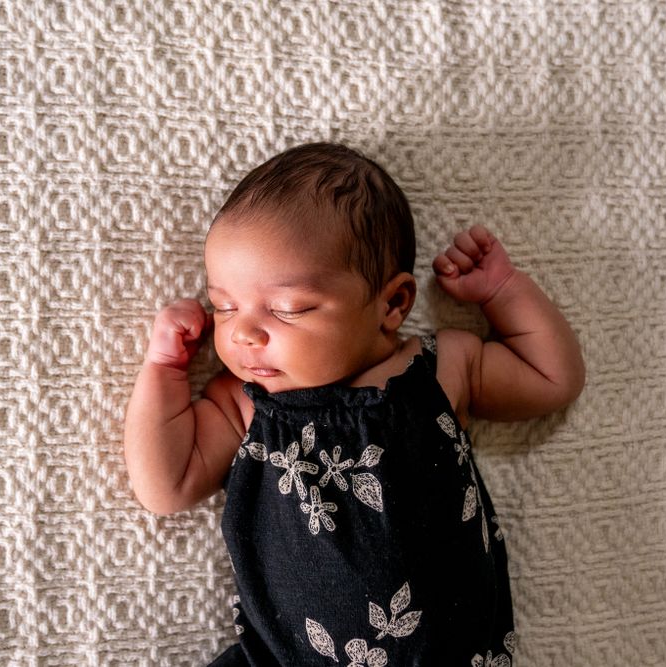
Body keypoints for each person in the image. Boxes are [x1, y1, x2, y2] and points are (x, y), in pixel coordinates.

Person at [123, 142, 585, 666]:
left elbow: (553, 378)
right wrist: (163, 370)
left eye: (287, 308)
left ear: (392, 304)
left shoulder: (441, 370)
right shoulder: (249, 406)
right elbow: (165, 485)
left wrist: (503, 289)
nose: (244, 332)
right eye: (224, 306)